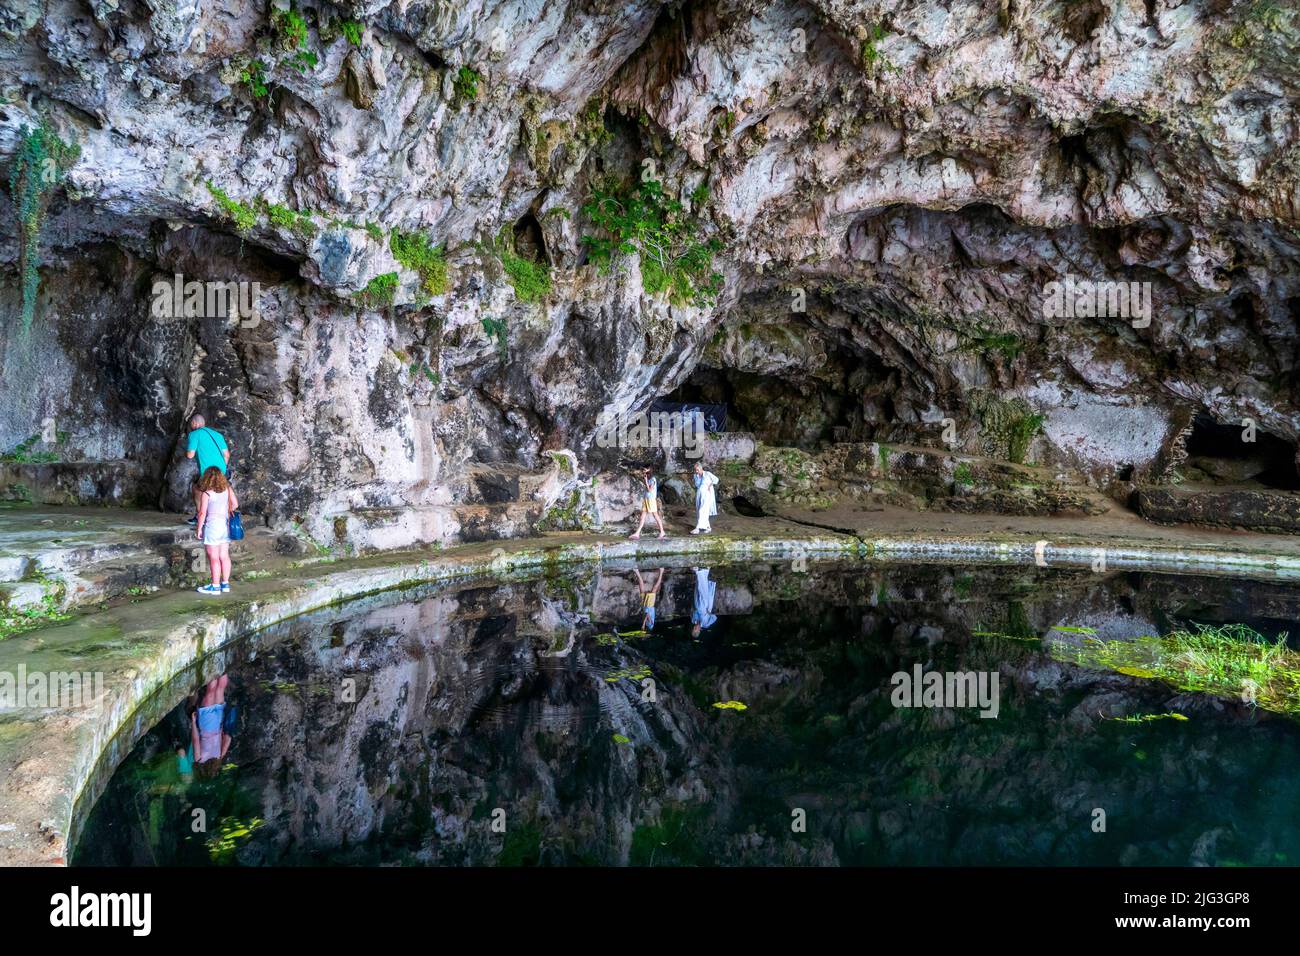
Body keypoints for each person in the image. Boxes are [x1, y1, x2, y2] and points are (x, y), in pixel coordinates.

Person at [195, 466, 237, 595]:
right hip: (224, 526)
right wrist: (226, 510)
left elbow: (202, 513)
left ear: (206, 478)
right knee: (224, 556)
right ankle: (225, 584)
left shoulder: (207, 493)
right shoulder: (227, 489)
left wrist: (199, 528)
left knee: (214, 558)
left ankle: (215, 586)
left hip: (212, 527)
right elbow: (235, 504)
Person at [184, 414, 230, 526]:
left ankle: (200, 516)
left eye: (191, 424)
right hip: (221, 471)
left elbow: (190, 455)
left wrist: (185, 452)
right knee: (217, 492)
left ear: (194, 423)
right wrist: (222, 470)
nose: (191, 426)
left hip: (207, 472)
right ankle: (219, 517)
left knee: (196, 489)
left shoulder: (194, 434)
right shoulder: (217, 435)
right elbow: (227, 455)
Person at [191, 673, 232, 779]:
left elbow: (228, 739)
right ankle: (213, 666)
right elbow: (195, 740)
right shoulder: (198, 759)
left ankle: (223, 664)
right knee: (211, 691)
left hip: (218, 723)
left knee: (220, 689)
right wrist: (193, 722)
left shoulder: (219, 757)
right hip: (206, 725)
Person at [628, 466, 667, 540]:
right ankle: (637, 533)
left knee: (656, 516)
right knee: (642, 517)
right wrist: (645, 480)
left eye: (646, 469)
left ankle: (662, 532)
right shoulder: (648, 479)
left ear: (650, 470)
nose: (644, 470)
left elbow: (649, 490)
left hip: (651, 500)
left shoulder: (653, 479)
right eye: (644, 469)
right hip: (646, 500)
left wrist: (645, 480)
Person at [690, 462, 719, 534]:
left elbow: (716, 480)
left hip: (707, 495)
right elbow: (697, 485)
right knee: (701, 511)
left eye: (697, 470)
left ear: (701, 468)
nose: (696, 471)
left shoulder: (707, 474)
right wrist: (696, 476)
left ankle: (698, 528)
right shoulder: (695, 476)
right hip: (699, 494)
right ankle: (708, 527)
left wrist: (710, 485)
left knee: (702, 510)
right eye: (695, 470)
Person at [634, 567, 664, 631]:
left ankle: (637, 571)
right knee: (654, 588)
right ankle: (661, 571)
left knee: (642, 590)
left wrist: (643, 624)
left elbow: (645, 614)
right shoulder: (650, 626)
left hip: (645, 606)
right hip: (650, 605)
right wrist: (643, 624)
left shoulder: (648, 626)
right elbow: (648, 615)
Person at [691, 567, 717, 638]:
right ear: (699, 630)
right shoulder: (706, 624)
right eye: (695, 629)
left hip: (697, 604)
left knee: (698, 588)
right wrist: (709, 612)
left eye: (693, 628)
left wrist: (694, 610)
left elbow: (693, 612)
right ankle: (698, 572)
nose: (694, 627)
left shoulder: (693, 620)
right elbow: (714, 618)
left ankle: (706, 570)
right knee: (702, 589)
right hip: (705, 607)